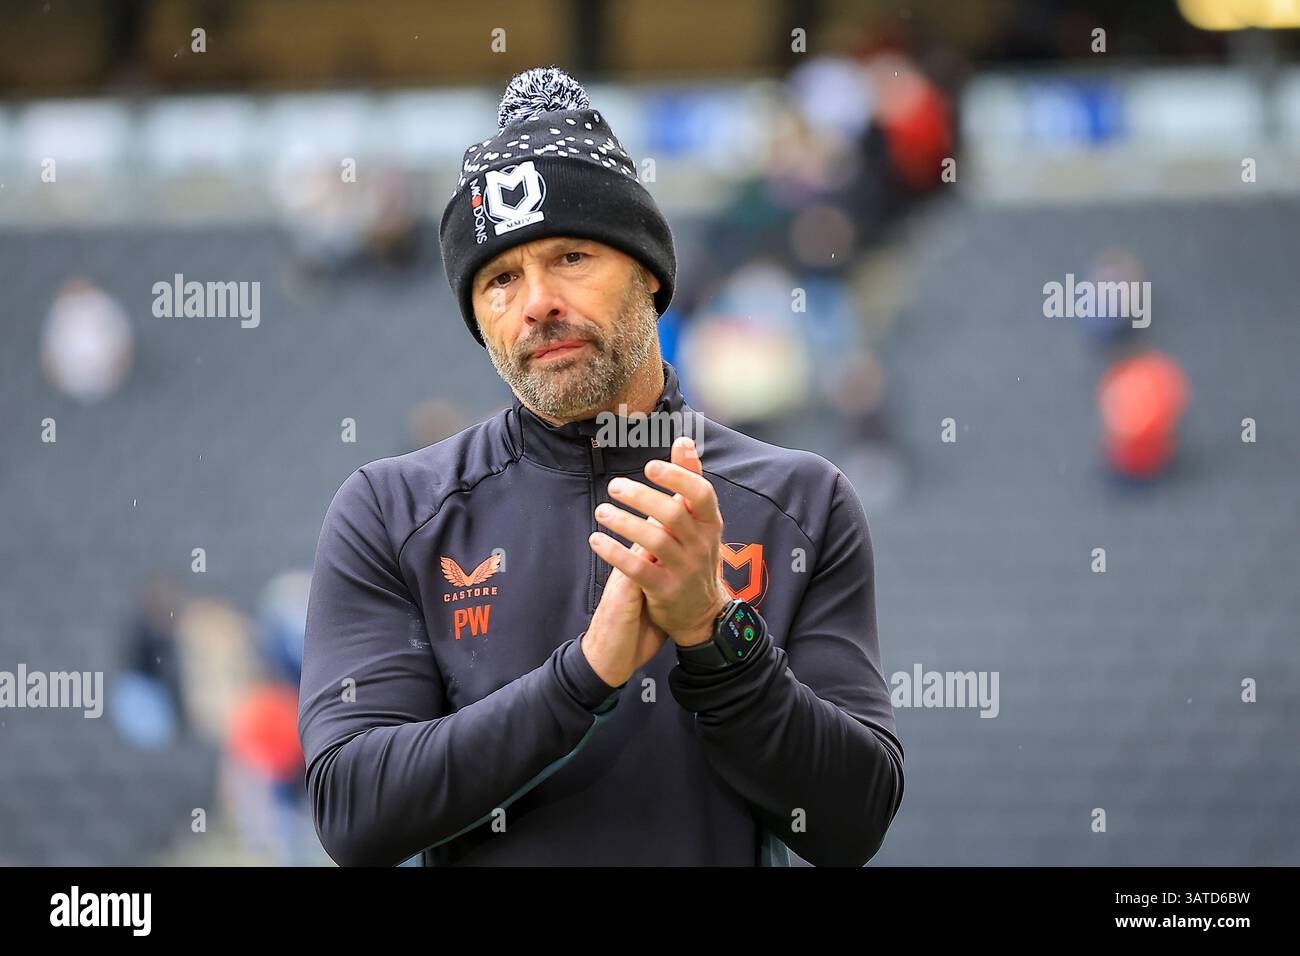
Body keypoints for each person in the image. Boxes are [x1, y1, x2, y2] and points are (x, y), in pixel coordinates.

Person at [297, 67, 903, 867]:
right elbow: (351, 811)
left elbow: (850, 822)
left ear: (650, 274)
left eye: (572, 256)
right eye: (501, 278)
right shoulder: (390, 510)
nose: (537, 302)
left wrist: (716, 636)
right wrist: (583, 677)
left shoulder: (801, 500)